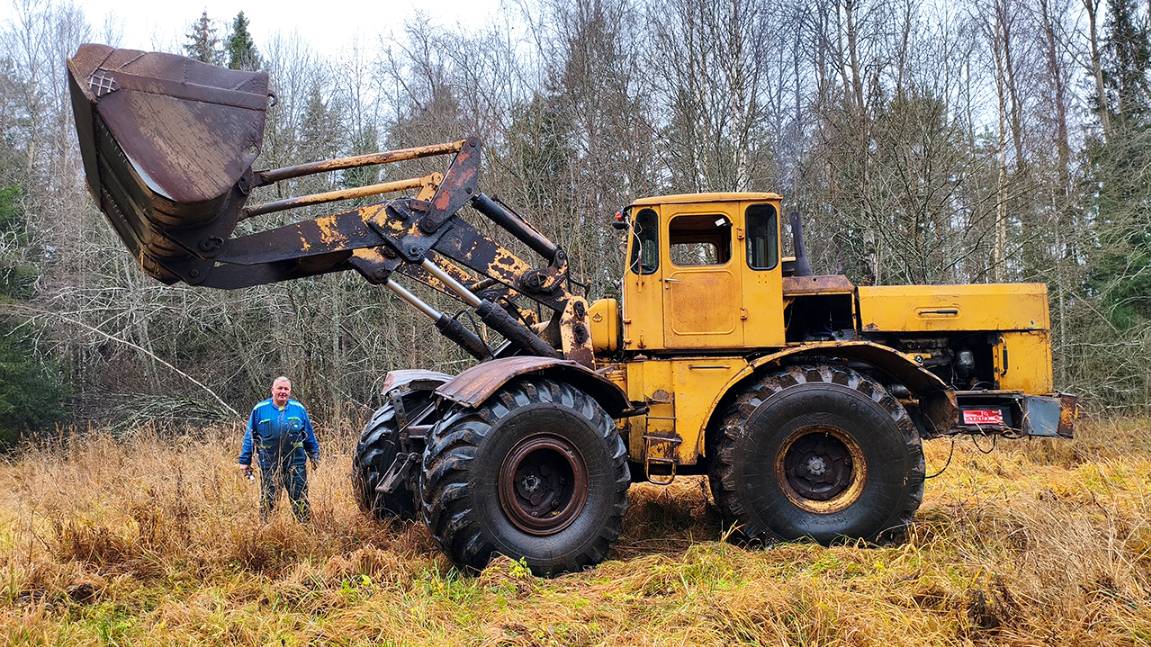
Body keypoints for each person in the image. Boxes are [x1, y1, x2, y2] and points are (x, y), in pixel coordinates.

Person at [236, 376, 320, 522]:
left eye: (286, 389)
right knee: (269, 500)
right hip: (269, 464)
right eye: (279, 388)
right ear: (272, 390)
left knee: (300, 499)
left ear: (290, 391)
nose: (283, 392)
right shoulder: (260, 410)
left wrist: (314, 456)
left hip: (296, 464)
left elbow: (308, 435)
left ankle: (304, 529)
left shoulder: (298, 409)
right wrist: (245, 460)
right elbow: (249, 436)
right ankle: (267, 529)